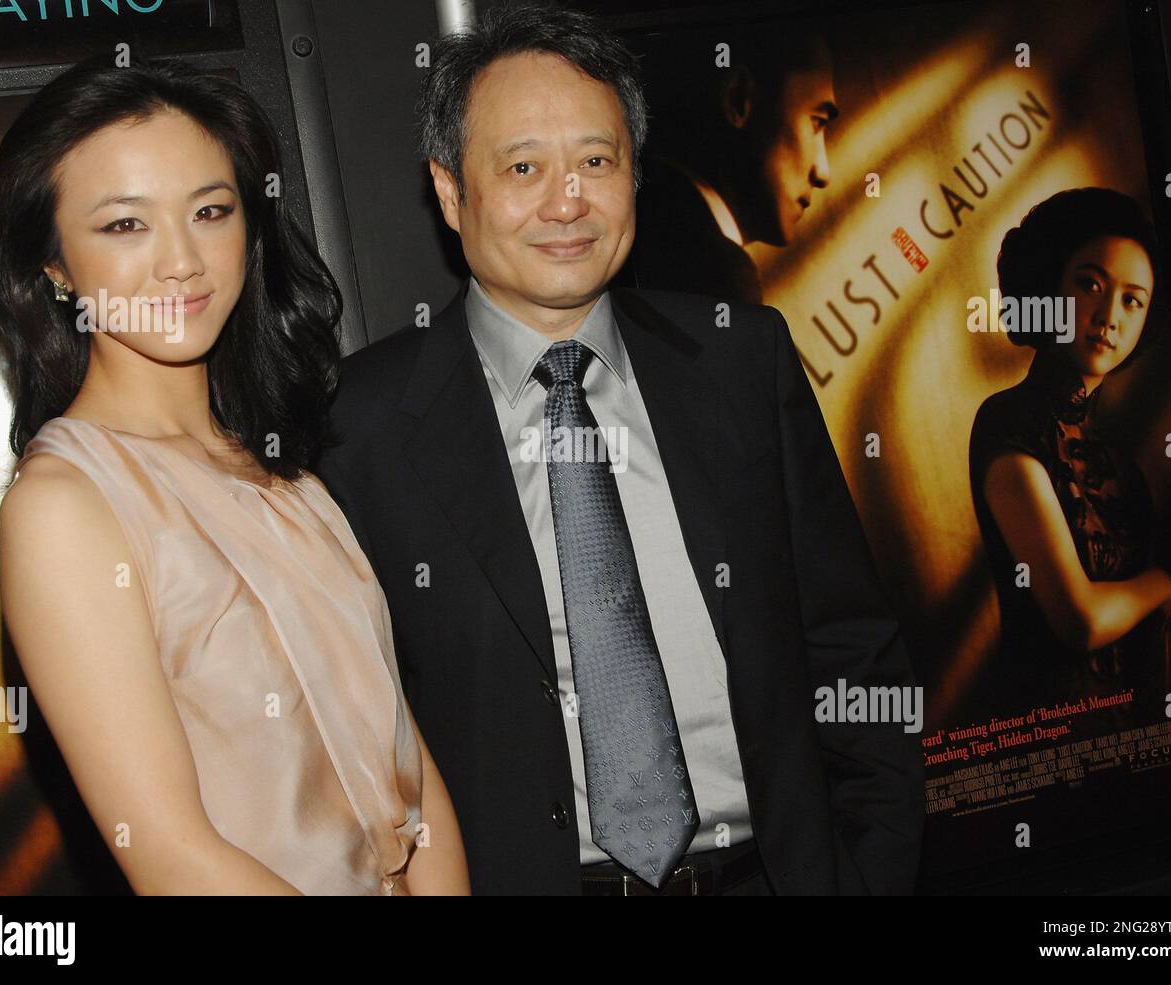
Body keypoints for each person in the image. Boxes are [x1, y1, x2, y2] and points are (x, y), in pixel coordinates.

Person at [315, 2, 923, 896]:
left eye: (597, 161)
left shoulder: (742, 359)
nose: (569, 202)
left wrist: (869, 869)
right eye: (524, 166)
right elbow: (348, 730)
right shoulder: (358, 423)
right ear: (451, 192)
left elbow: (850, 644)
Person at [0, 55, 468, 895]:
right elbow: (172, 857)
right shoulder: (65, 508)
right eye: (125, 226)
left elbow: (413, 781)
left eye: (211, 211)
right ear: (55, 267)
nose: (183, 260)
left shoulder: (293, 482)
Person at [969, 187, 1171, 727]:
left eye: (1133, 299)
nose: (1110, 315)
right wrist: (1160, 586)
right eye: (1090, 284)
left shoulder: (1120, 461)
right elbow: (1078, 621)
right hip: (1049, 737)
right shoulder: (1008, 422)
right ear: (1049, 285)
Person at [630, 24, 837, 303]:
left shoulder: (638, 213)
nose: (823, 172)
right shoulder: (719, 279)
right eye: (817, 122)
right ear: (739, 99)